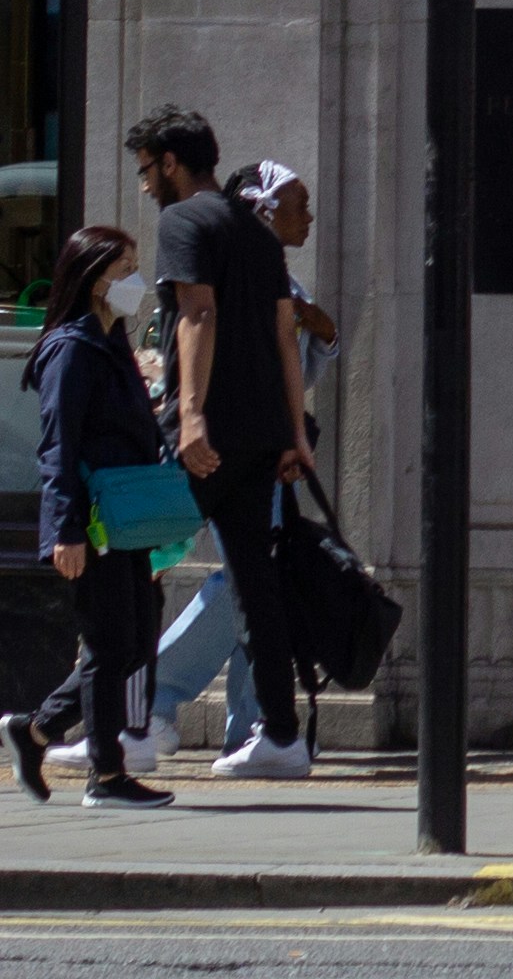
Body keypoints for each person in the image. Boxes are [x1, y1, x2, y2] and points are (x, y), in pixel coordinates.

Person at [122, 110, 311, 783]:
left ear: (171, 163)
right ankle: (281, 737)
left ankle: (125, 730)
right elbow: (285, 335)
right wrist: (294, 434)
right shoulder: (258, 234)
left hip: (207, 440)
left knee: (128, 564)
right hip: (261, 438)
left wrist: (191, 417)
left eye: (147, 171)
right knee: (256, 586)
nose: (146, 185)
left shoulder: (182, 222)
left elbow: (198, 312)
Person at [14, 227, 175, 806]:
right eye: (124, 268)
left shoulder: (112, 345)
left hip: (127, 519)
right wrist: (66, 528)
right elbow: (57, 447)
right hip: (92, 520)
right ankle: (105, 776)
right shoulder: (72, 350)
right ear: (93, 278)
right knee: (109, 646)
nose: (135, 279)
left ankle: (35, 731)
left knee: (133, 644)